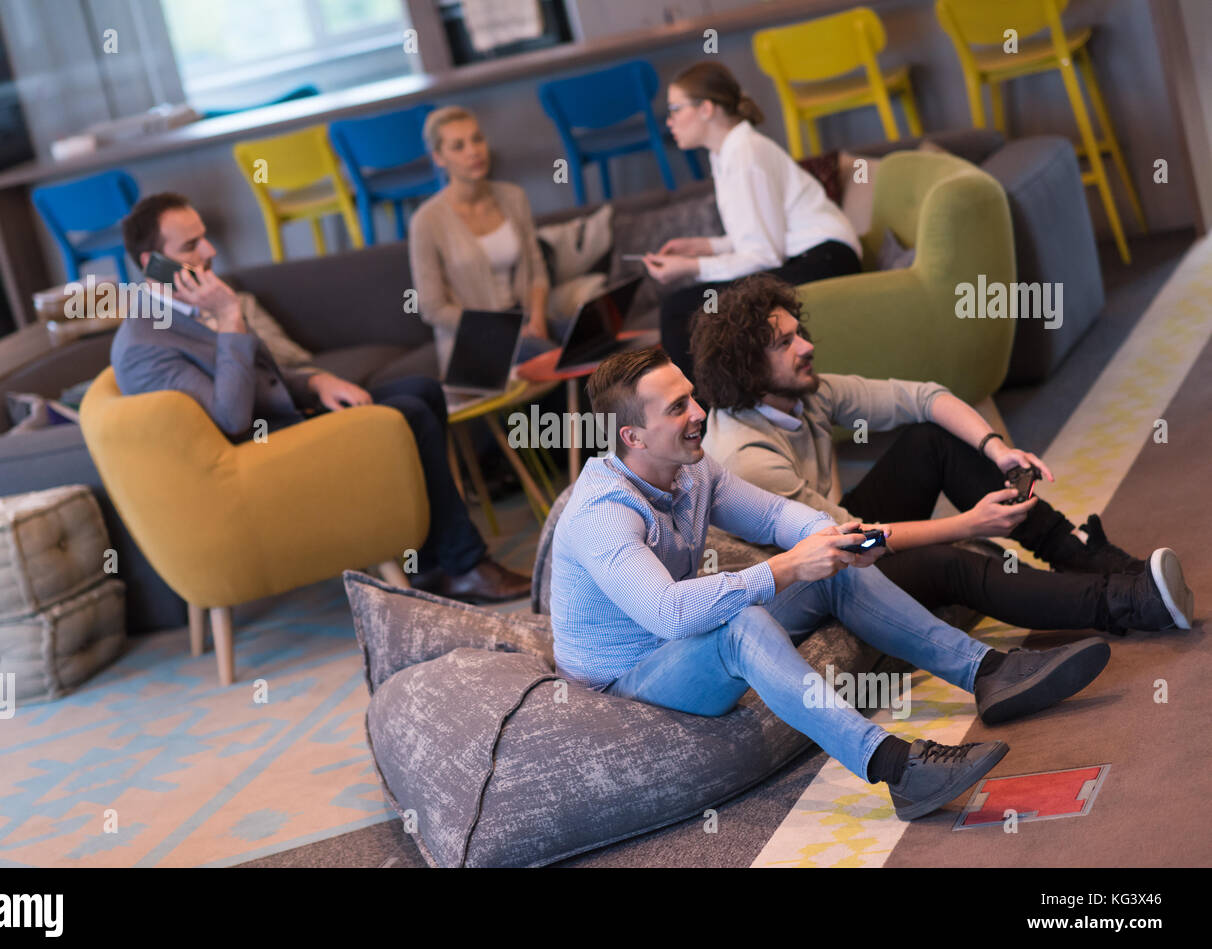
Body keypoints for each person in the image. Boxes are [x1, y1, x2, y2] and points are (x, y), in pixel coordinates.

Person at [549, 345, 1111, 822]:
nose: (698, 413)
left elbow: (774, 516)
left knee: (830, 565)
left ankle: (988, 672)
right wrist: (788, 567)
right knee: (743, 622)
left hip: (679, 639)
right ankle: (896, 768)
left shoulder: (693, 468)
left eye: (692, 397)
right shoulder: (602, 514)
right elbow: (669, 613)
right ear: (633, 436)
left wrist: (829, 538)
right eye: (678, 408)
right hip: (629, 677)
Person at [691, 273, 1193, 634]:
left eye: (798, 332)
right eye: (785, 343)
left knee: (927, 441)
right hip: (811, 581)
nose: (806, 346)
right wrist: (968, 524)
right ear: (747, 367)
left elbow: (924, 398)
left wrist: (998, 449)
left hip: (838, 533)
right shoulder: (746, 455)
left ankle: (1086, 556)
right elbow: (854, 542)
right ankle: (1126, 602)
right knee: (950, 564)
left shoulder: (805, 392)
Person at [112, 192, 531, 604]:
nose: (210, 251)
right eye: (191, 246)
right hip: (261, 457)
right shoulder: (144, 345)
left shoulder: (193, 301)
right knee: (409, 413)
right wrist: (229, 319)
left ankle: (429, 562)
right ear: (153, 263)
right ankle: (464, 565)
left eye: (204, 237)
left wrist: (315, 382)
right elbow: (231, 416)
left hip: (288, 418)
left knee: (422, 389)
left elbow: (262, 379)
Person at [644, 61, 862, 382]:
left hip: (826, 260)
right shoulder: (727, 152)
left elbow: (762, 256)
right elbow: (760, 233)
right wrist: (703, 247)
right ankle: (719, 404)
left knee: (679, 309)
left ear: (706, 109)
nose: (669, 121)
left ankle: (700, 409)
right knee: (685, 306)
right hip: (809, 255)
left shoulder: (745, 154)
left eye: (675, 109)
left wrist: (691, 267)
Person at [409, 105, 566, 374]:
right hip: (475, 341)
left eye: (477, 139)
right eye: (458, 146)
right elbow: (432, 308)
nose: (473, 151)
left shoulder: (514, 197)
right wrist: (505, 330)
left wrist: (538, 319)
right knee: (550, 358)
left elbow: (537, 270)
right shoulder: (426, 220)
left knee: (589, 341)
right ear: (439, 157)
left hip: (527, 323)